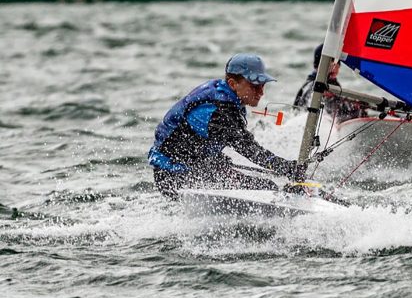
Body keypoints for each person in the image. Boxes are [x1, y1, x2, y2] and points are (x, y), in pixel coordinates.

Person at [148, 53, 307, 199]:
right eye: (254, 86)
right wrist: (286, 167)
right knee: (266, 188)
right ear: (233, 83)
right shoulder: (219, 112)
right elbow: (248, 148)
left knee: (262, 184)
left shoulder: (227, 95)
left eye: (262, 85)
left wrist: (215, 161)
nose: (261, 92)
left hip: (192, 165)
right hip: (173, 177)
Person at [293, 44, 369, 122]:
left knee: (359, 112)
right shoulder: (311, 85)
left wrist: (356, 105)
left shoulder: (334, 84)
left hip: (331, 118)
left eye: (337, 64)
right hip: (309, 120)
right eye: (330, 63)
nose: (334, 67)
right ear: (318, 66)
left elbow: (338, 106)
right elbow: (313, 102)